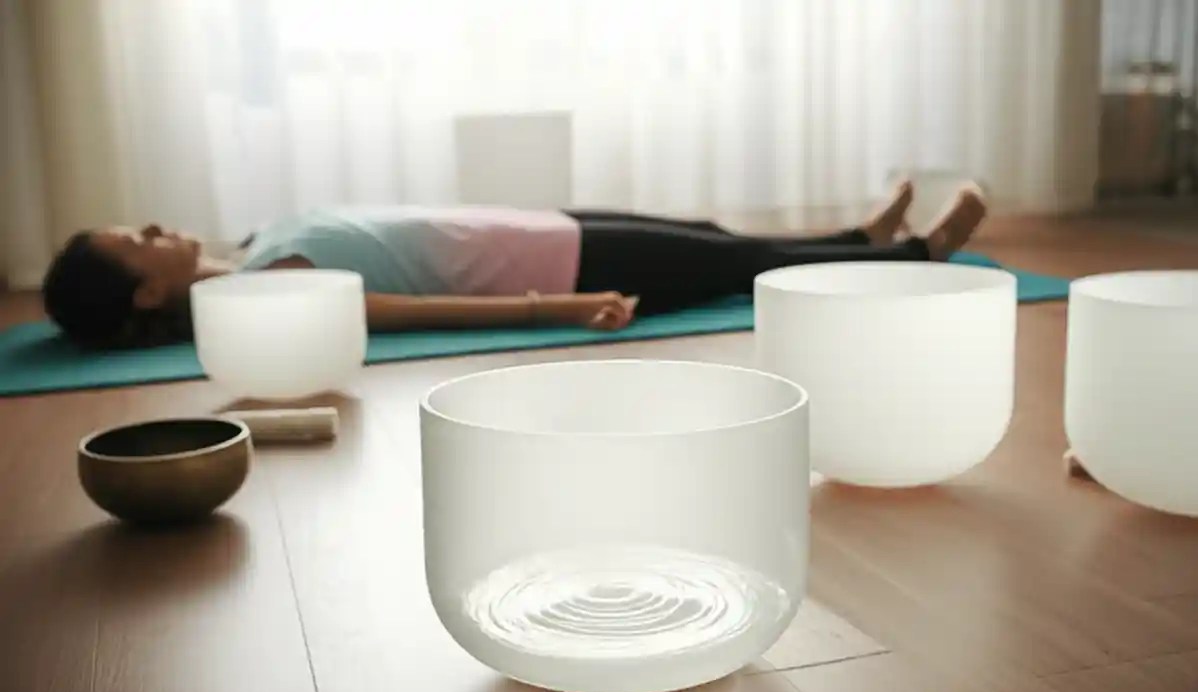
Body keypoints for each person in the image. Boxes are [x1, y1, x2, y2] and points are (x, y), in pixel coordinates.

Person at [41, 182, 986, 348]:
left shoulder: (249, 248)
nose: (155, 226)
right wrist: (561, 309)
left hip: (535, 223)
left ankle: (860, 238)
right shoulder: (274, 292)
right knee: (732, 266)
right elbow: (405, 318)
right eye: (137, 241)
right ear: (148, 289)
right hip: (553, 262)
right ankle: (915, 256)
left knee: (712, 233)